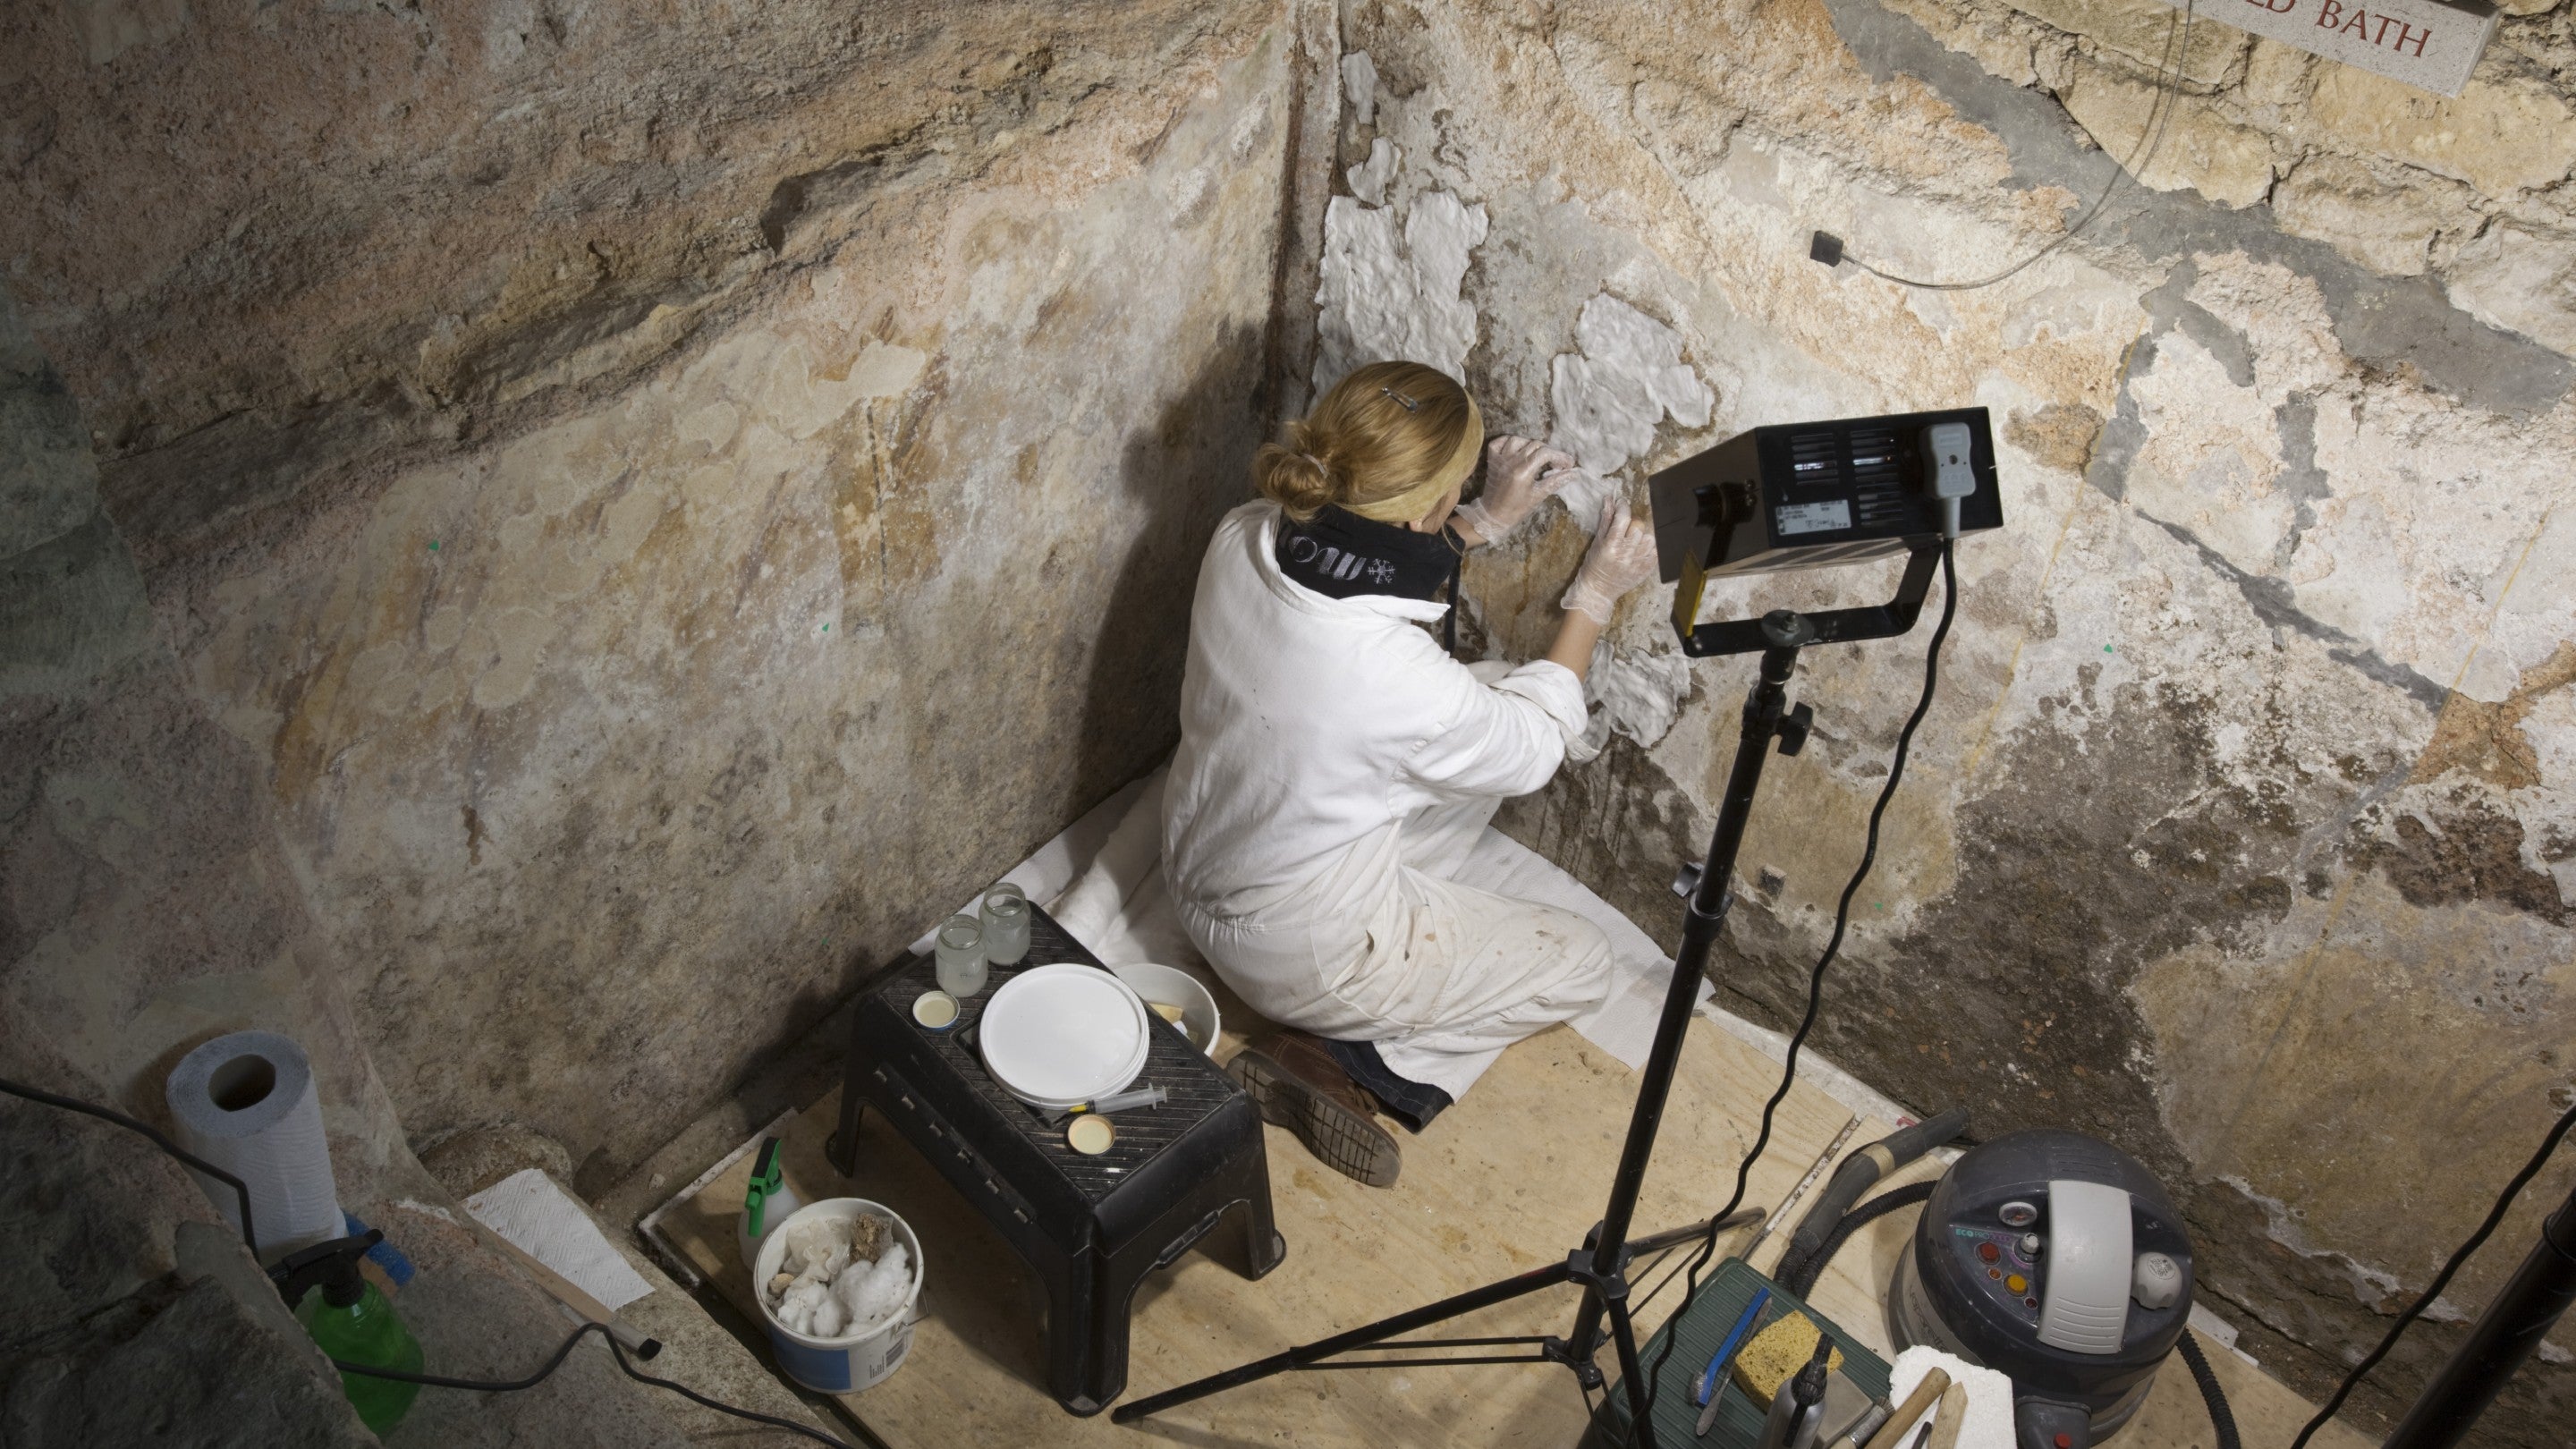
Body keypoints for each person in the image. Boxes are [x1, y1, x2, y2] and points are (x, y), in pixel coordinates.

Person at [1161, 360, 1662, 1187]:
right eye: (1455, 489)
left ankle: (1337, 1006)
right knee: (1581, 962)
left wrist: (1480, 521)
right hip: (1298, 957)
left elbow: (1371, 565)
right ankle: (1330, 1052)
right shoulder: (1397, 679)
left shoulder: (1245, 532)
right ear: (1423, 507)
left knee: (1487, 691)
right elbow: (1538, 744)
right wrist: (1596, 594)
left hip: (1199, 863)